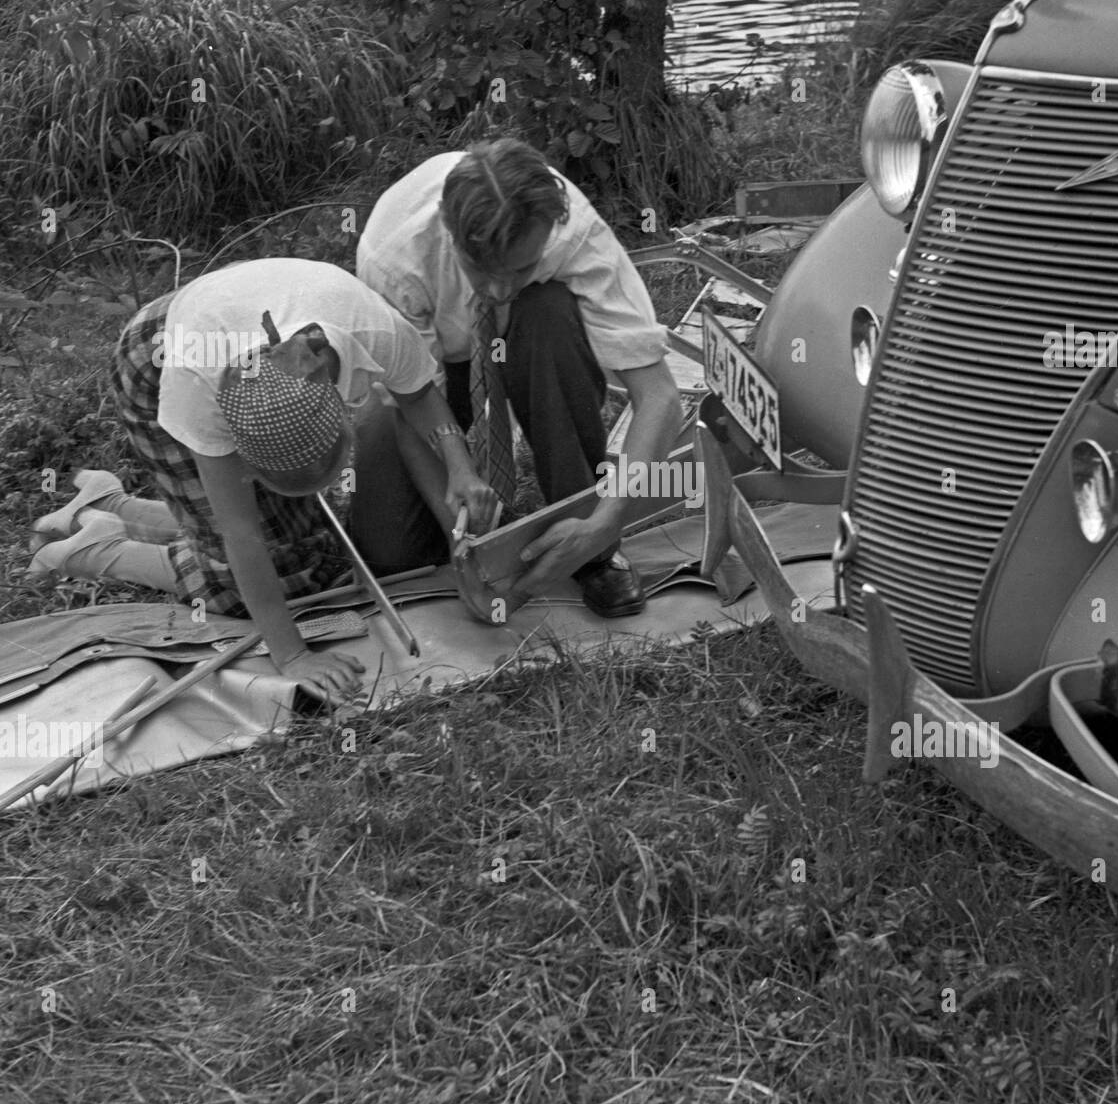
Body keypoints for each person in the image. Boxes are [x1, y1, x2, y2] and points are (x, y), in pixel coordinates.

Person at [26, 258, 497, 698]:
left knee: (305, 545)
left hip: (233, 315)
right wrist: (290, 655)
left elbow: (416, 396)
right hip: (158, 358)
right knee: (248, 585)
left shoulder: (373, 326)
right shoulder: (201, 390)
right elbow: (241, 532)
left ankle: (113, 506)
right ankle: (95, 549)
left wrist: (461, 468)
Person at [356, 137, 683, 617]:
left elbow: (659, 396)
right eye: (480, 270)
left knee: (547, 308)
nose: (500, 288)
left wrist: (609, 519)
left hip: (531, 341)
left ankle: (584, 532)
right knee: (394, 554)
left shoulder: (575, 232)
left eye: (523, 267)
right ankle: (469, 533)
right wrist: (463, 543)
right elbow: (412, 404)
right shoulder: (394, 259)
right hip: (437, 371)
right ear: (450, 232)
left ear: (551, 227)